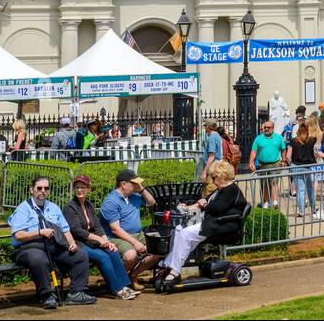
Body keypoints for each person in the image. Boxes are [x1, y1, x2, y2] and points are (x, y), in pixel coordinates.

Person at [154, 160, 247, 291]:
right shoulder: (220, 190)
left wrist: (204, 204)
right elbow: (201, 204)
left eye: (214, 177)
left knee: (186, 234)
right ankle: (169, 265)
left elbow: (215, 208)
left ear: (221, 176)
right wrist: (186, 208)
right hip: (212, 222)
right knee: (179, 229)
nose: (213, 181)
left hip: (223, 225)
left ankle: (174, 271)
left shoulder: (231, 190)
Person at [9, 174, 93, 310]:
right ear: (32, 190)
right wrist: (40, 232)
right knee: (39, 260)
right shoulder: (23, 208)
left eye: (46, 188)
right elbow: (18, 235)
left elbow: (65, 230)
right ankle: (46, 295)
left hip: (53, 246)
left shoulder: (53, 207)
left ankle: (77, 292)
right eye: (39, 188)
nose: (43, 190)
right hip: (29, 247)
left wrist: (71, 243)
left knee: (80, 255)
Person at [61, 173, 138, 299]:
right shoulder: (69, 207)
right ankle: (117, 290)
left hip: (90, 242)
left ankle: (124, 286)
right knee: (103, 257)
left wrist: (106, 240)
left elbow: (97, 226)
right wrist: (98, 239)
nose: (80, 190)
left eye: (83, 187)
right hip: (78, 243)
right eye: (77, 187)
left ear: (88, 189)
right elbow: (76, 231)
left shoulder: (89, 205)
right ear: (74, 189)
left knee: (112, 251)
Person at [100, 167, 157, 285]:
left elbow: (152, 202)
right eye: (134, 183)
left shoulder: (134, 196)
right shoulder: (111, 201)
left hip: (137, 234)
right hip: (117, 237)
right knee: (130, 255)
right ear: (124, 184)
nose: (137, 185)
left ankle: (133, 275)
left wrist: (141, 189)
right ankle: (113, 279)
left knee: (158, 249)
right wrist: (135, 243)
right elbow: (115, 230)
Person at [248, 118, 287, 208]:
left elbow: (283, 149)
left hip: (275, 164)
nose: (266, 129)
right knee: (264, 183)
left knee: (274, 183)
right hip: (262, 164)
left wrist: (283, 160)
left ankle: (275, 201)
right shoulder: (258, 138)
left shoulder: (278, 137)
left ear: (272, 128)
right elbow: (253, 151)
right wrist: (251, 163)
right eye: (265, 127)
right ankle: (266, 201)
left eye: (268, 127)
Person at [286, 117, 318, 217]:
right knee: (310, 189)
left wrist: (290, 164)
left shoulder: (293, 141)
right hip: (309, 166)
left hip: (296, 166)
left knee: (300, 190)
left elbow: (288, 156)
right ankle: (313, 209)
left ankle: (301, 211)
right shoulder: (312, 140)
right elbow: (316, 152)